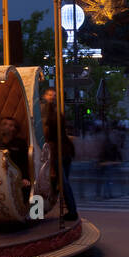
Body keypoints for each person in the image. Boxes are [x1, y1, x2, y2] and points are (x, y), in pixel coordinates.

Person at [43, 89, 78, 220]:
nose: (51, 97)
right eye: (49, 95)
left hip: (58, 151)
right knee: (63, 182)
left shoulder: (50, 115)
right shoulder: (58, 114)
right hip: (65, 150)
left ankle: (71, 211)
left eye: (53, 95)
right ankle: (68, 209)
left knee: (61, 183)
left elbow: (49, 134)